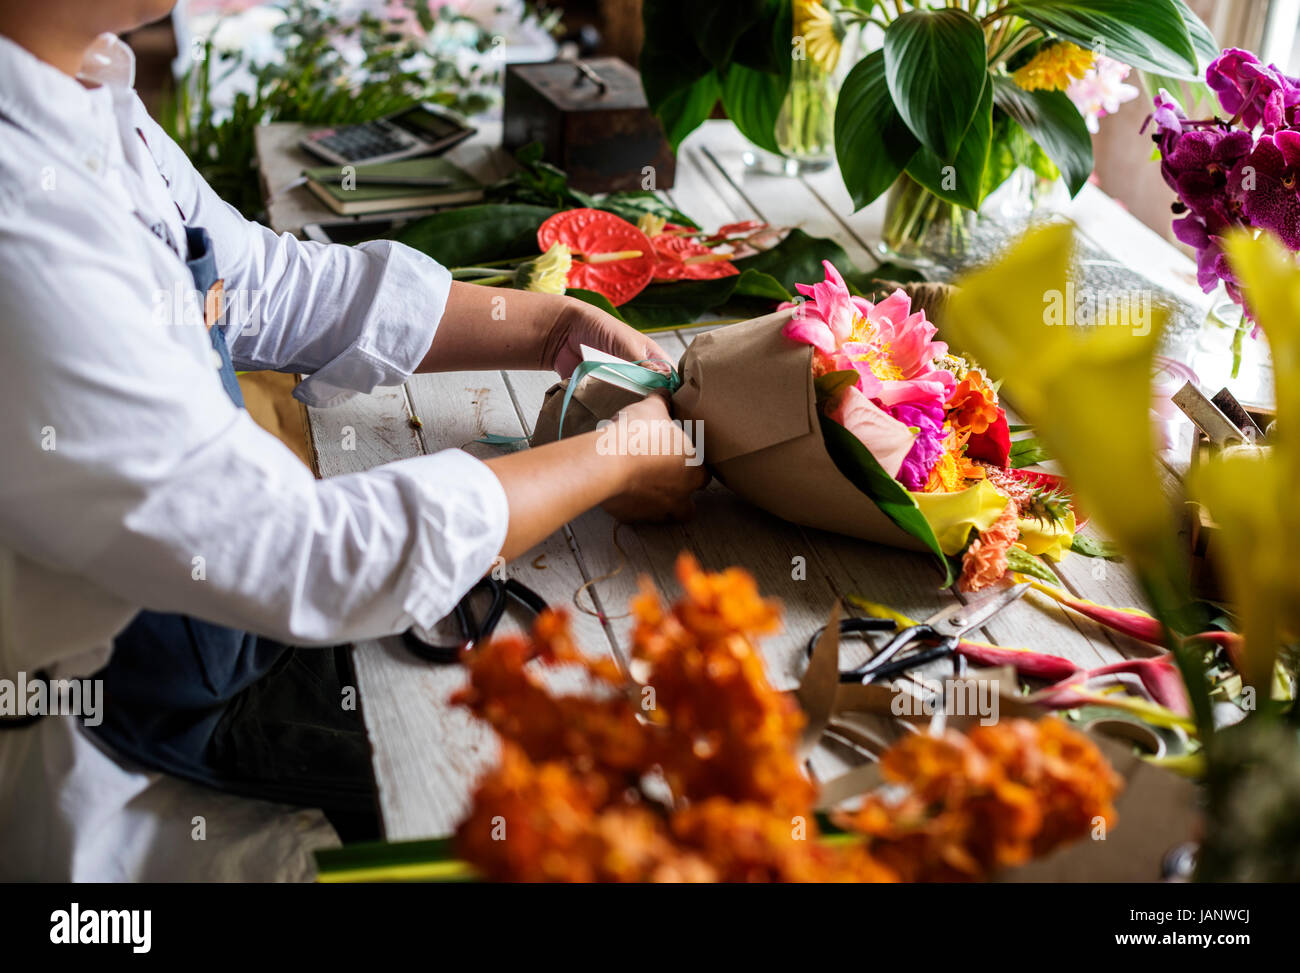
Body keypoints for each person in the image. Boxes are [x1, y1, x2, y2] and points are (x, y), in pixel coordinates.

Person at [0, 0, 708, 880]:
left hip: (220, 638)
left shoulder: (84, 79)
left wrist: (544, 325)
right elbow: (302, 552)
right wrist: (612, 458)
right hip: (133, 755)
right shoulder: (20, 221)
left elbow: (255, 282)